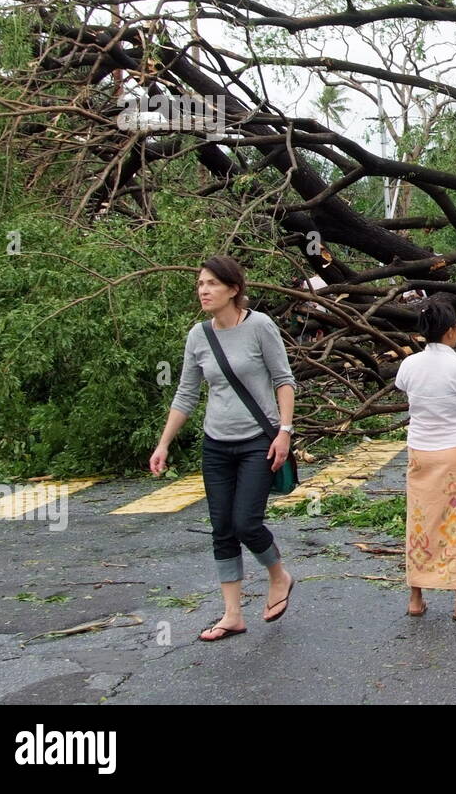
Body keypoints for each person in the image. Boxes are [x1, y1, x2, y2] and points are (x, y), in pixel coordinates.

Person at [149, 255, 297, 642]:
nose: (203, 290)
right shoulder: (199, 335)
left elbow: (284, 380)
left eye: (212, 283)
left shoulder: (260, 326)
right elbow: (186, 393)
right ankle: (232, 614)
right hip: (216, 444)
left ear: (234, 289)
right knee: (221, 529)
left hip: (256, 443)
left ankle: (278, 576)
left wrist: (284, 432)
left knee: (245, 522)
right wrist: (164, 443)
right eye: (200, 283)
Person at [394, 300, 456, 620]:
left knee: (420, 519)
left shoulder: (409, 365)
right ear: (451, 332)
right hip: (454, 450)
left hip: (420, 448)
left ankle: (416, 597)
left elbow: (406, 392)